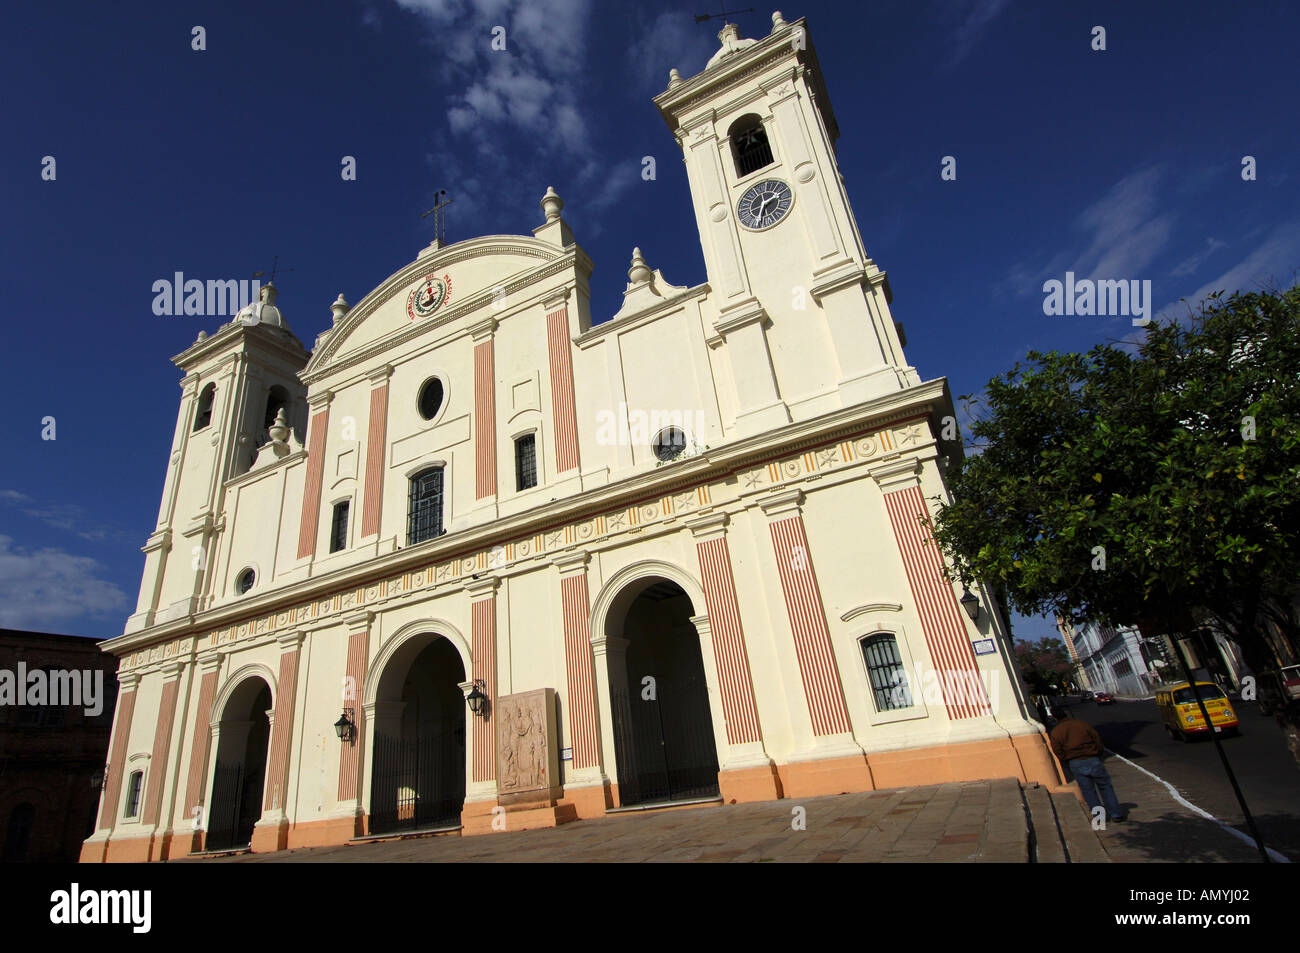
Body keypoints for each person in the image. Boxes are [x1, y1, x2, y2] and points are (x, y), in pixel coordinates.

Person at [1049, 705, 1127, 823]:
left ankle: (1099, 818)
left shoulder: (1056, 732)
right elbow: (1097, 739)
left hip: (1075, 762)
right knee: (1105, 787)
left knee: (1088, 791)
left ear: (1054, 717)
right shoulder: (1082, 725)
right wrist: (1097, 753)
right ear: (1066, 713)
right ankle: (1116, 814)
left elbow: (1057, 750)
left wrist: (1066, 760)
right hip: (1092, 758)